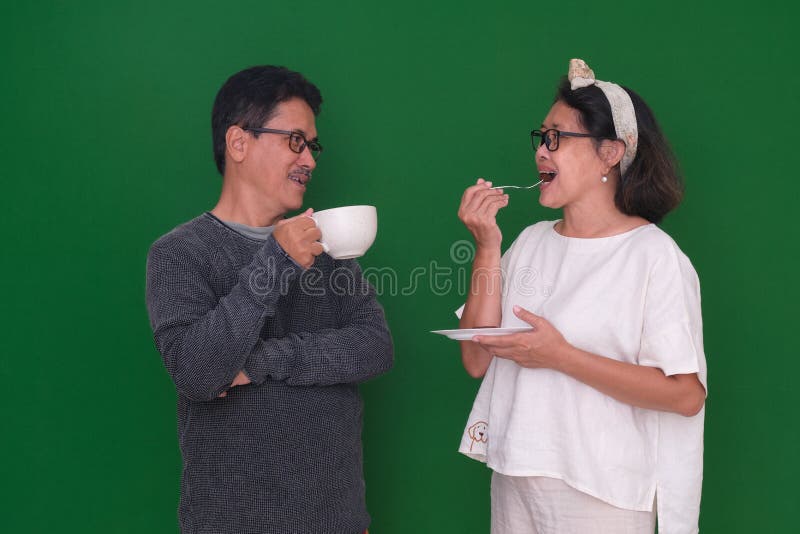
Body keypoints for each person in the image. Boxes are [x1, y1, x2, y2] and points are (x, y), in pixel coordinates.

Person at [455, 59, 707, 534]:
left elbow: (686, 395)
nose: (541, 153)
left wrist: (561, 356)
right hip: (515, 478)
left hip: (601, 495)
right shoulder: (529, 241)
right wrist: (488, 246)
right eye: (541, 137)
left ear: (610, 153)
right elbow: (475, 359)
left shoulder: (653, 256)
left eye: (557, 138)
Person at [145, 65, 393, 534]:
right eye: (295, 140)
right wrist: (276, 259)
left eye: (312, 145)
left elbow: (375, 346)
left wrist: (258, 362)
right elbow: (198, 373)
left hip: (339, 523)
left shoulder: (331, 248)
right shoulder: (178, 254)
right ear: (239, 143)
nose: (311, 160)